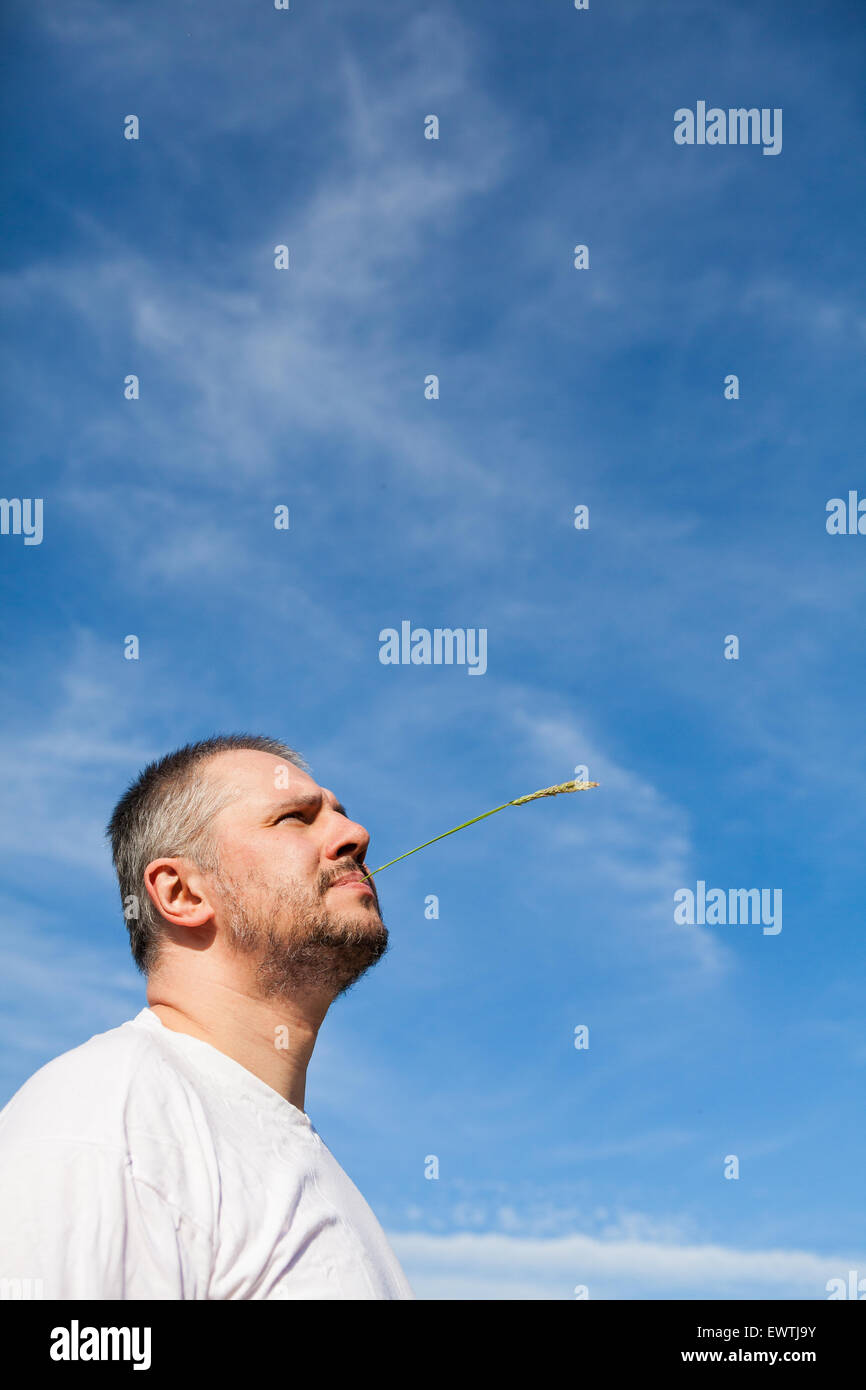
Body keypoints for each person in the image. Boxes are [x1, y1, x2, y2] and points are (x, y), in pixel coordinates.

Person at [0, 734, 415, 1300]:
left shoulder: (320, 1177)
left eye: (341, 814)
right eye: (295, 817)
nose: (355, 835)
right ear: (182, 892)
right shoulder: (112, 1114)